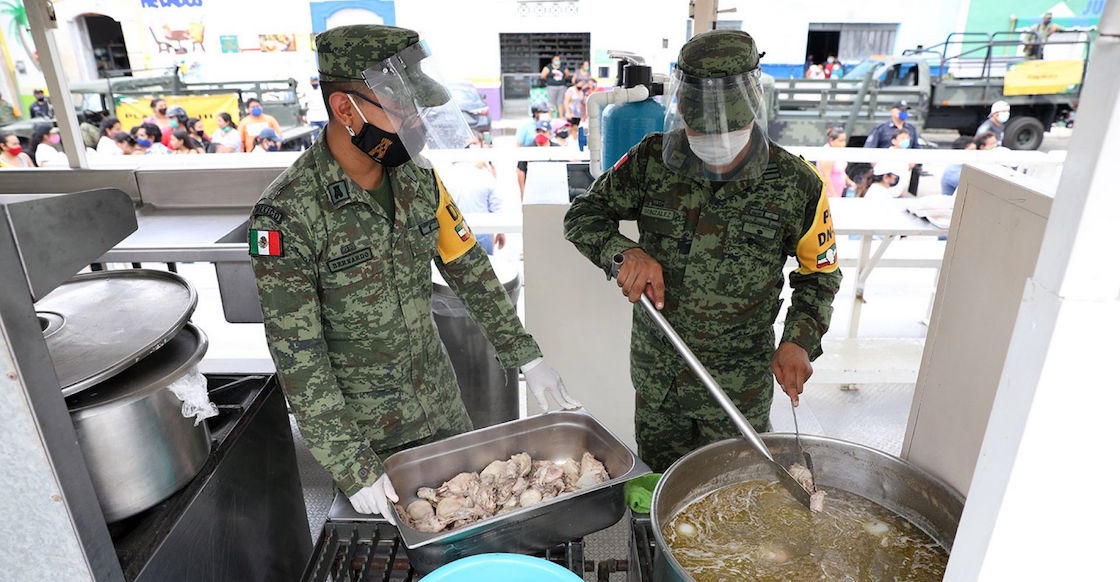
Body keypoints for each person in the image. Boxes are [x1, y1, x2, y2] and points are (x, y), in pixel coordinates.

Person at [249, 24, 578, 522]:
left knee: (468, 522)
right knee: (393, 549)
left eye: (418, 110)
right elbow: (300, 360)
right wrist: (352, 465)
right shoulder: (286, 216)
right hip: (366, 433)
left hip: (441, 404)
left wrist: (526, 358)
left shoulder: (420, 180)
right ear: (345, 108)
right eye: (402, 109)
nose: (414, 123)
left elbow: (471, 271)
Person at [564, 29, 841, 472]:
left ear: (751, 111)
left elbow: (819, 275)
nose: (714, 140)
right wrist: (623, 254)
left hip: (738, 387)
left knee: (735, 495)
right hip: (661, 382)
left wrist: (799, 341)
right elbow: (583, 215)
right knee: (659, 489)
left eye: (729, 128)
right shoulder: (650, 161)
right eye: (699, 128)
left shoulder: (797, 184)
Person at [441, 140, 506, 254]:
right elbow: (496, 205)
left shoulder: (444, 177)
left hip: (456, 234)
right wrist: (500, 231)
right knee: (485, 270)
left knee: (459, 271)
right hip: (482, 233)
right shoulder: (484, 175)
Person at [864, 100, 920, 195]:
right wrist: (877, 166)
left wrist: (913, 162)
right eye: (901, 110)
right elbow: (870, 148)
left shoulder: (911, 128)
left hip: (903, 169)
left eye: (905, 111)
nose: (904, 113)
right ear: (892, 111)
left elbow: (916, 148)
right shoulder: (881, 128)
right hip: (886, 172)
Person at [816, 126, 855, 197]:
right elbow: (826, 177)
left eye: (844, 140)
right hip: (828, 195)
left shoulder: (838, 152)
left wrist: (849, 182)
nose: (843, 144)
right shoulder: (827, 153)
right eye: (840, 141)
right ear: (831, 140)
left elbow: (840, 171)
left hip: (838, 191)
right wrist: (834, 196)